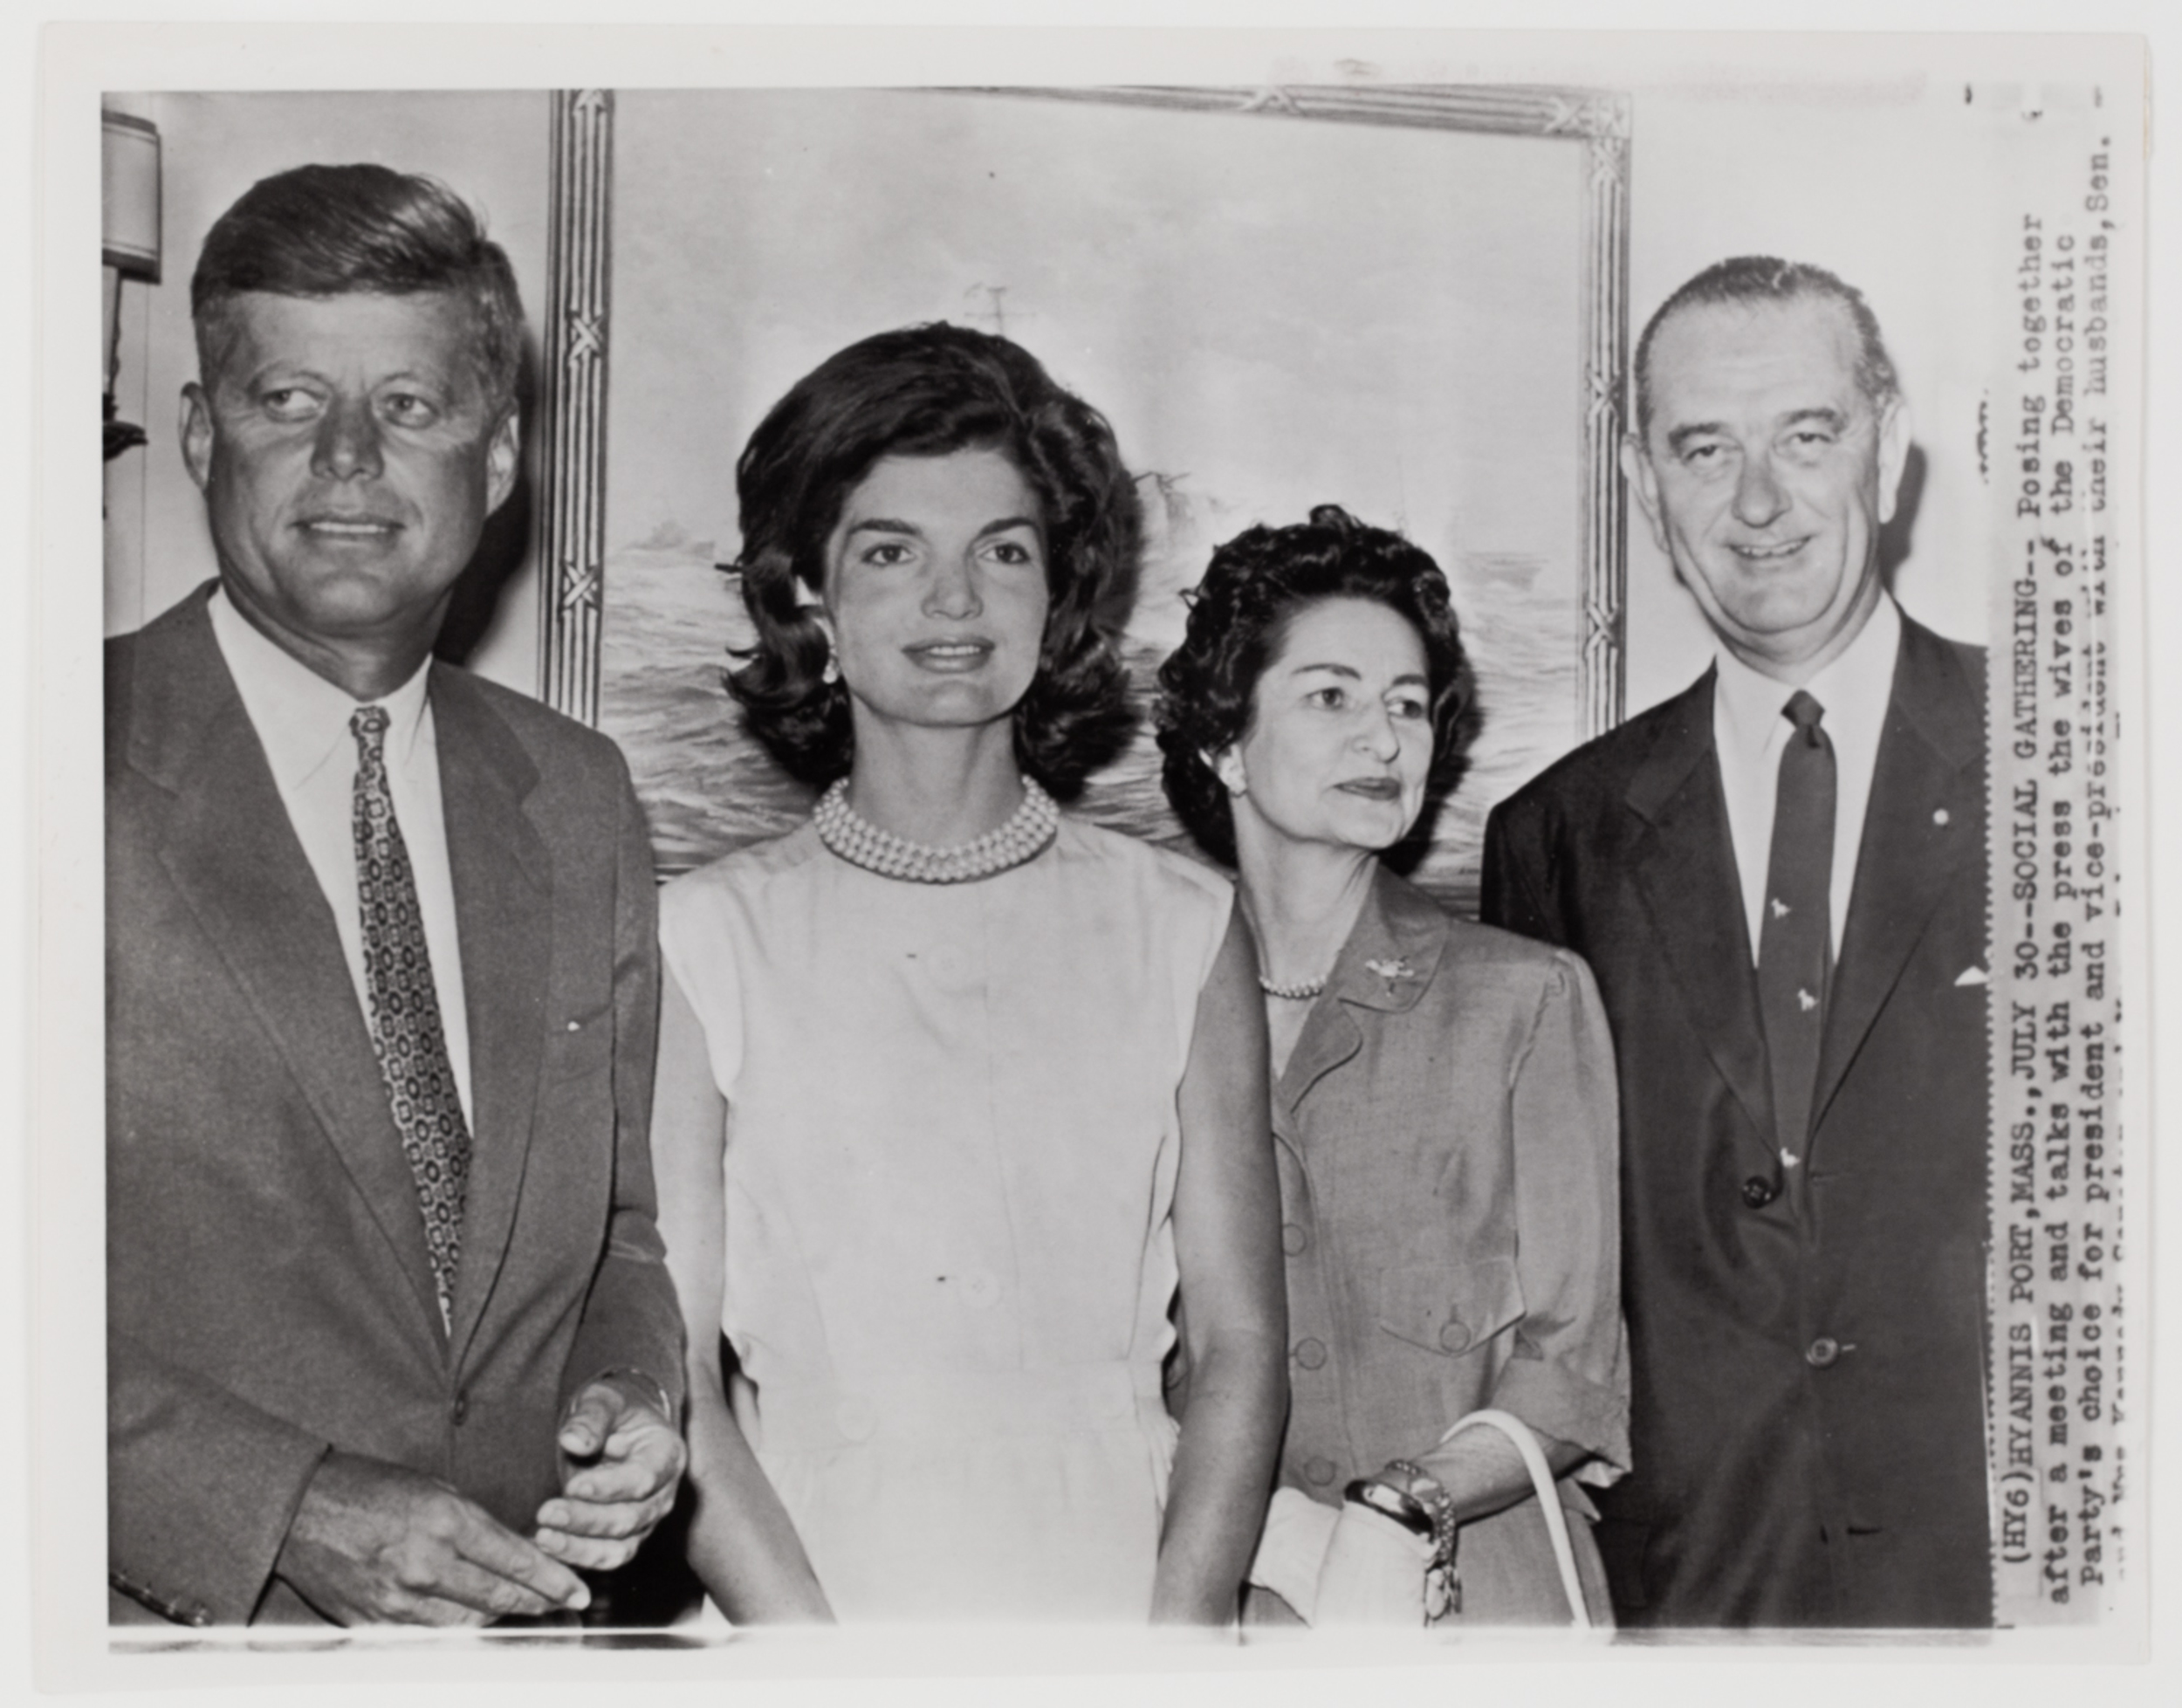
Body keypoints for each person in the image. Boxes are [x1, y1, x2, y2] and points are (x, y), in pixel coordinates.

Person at [106, 164, 686, 1627]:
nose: (350, 457)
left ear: (497, 461)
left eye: (411, 406)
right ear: (202, 435)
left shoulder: (577, 796)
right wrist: (278, 1506)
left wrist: (634, 1391)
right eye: (289, 400)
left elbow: (618, 1226)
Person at [650, 324, 1286, 1623]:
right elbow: (682, 1385)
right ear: (809, 597)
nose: (955, 602)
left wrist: (1171, 1654)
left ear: (1058, 595)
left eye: (1002, 551)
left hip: (1124, 1598)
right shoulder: (703, 939)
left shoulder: (1181, 924)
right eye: (892, 552)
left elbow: (1238, 1350)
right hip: (814, 1607)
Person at [1482, 257, 1991, 1627]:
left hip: (2026, 1583)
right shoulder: (1557, 837)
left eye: (1806, 437)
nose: (1759, 504)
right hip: (1700, 1586)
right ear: (1648, 488)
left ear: (1888, 448)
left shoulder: (2083, 764)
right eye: (1706, 450)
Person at [1156, 504, 1628, 1627]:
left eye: (1407, 705)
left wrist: (1402, 1506)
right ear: (1223, 741)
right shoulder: (1144, 1005)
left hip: (1473, 1610)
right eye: (1331, 697)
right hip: (1222, 1611)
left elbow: (1574, 1369)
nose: (1383, 740)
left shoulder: (1524, 997)